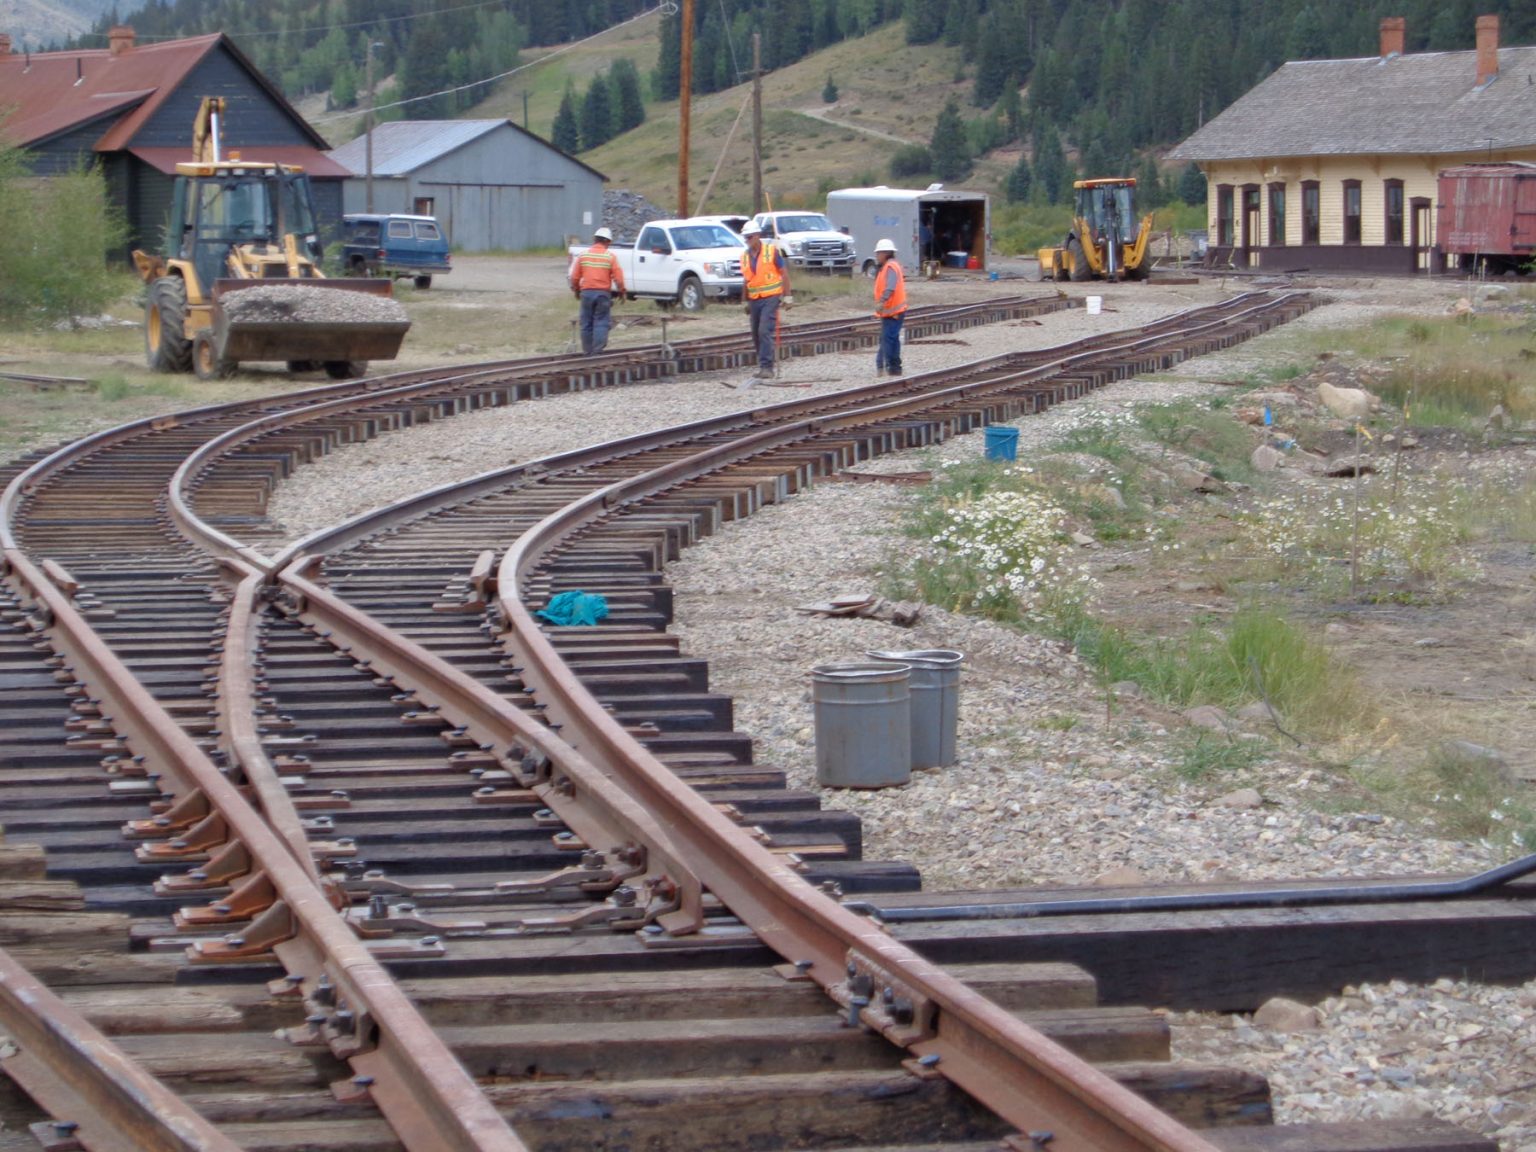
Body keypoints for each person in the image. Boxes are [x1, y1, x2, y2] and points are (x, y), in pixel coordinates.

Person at [741, 221, 791, 379]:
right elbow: (746, 280)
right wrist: (745, 300)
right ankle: (763, 365)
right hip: (754, 299)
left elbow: (784, 273)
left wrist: (788, 296)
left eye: (749, 237)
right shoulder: (744, 257)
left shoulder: (771, 252)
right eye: (745, 237)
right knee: (756, 333)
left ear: (757, 236)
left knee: (764, 330)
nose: (747, 240)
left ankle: (767, 367)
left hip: (771, 297)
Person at [568, 226, 626, 355]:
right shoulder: (610, 257)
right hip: (602, 294)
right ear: (608, 242)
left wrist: (576, 290)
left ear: (594, 239)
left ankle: (587, 352)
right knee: (601, 321)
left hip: (586, 293)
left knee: (586, 323)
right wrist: (622, 292)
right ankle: (597, 352)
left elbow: (574, 277)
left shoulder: (584, 256)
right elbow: (619, 278)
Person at [872, 237, 907, 377]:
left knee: (888, 339)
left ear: (885, 253)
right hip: (891, 311)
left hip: (894, 312)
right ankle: (891, 367)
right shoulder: (887, 267)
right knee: (891, 339)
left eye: (878, 253)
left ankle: (889, 367)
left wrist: (882, 301)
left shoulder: (890, 267)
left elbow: (890, 287)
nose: (876, 256)